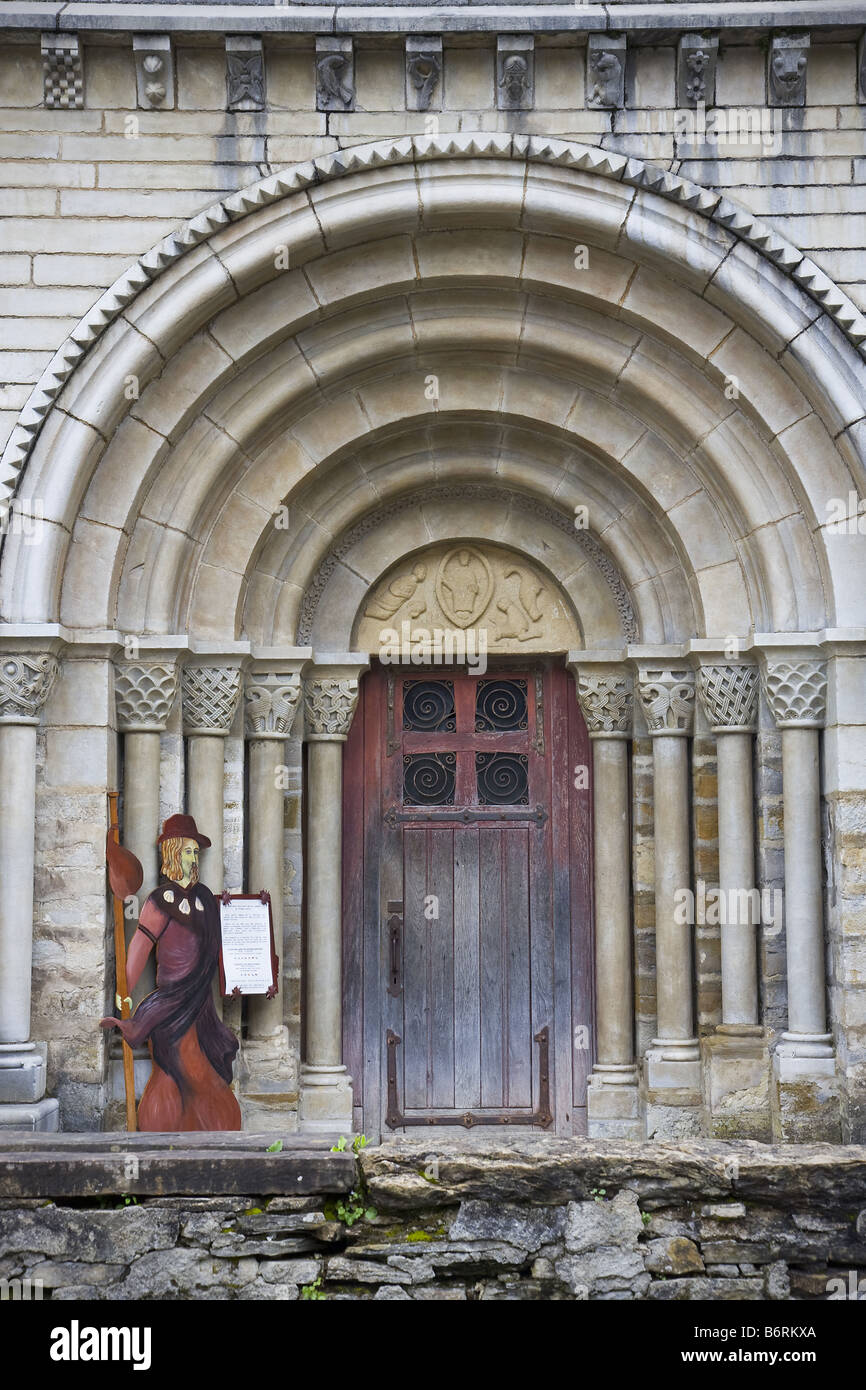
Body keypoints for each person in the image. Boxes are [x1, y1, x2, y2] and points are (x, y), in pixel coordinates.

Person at [100, 814, 241, 1131]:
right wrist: (124, 988)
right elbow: (139, 947)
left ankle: (210, 1128)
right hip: (170, 1001)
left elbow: (219, 949)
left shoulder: (206, 897)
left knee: (204, 1065)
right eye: (188, 851)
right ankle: (162, 1128)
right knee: (175, 1066)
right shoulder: (159, 901)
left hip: (200, 1001)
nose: (194, 859)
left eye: (196, 852)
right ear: (174, 854)